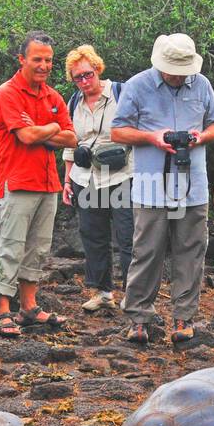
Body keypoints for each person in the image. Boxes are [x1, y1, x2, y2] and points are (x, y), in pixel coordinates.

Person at [110, 33, 214, 345]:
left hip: (193, 185)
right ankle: (138, 318)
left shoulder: (201, 84)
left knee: (191, 251)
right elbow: (117, 131)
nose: (179, 74)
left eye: (183, 69)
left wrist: (199, 137)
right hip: (151, 185)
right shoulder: (137, 85)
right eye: (174, 68)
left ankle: (183, 317)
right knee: (147, 252)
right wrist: (152, 137)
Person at [0, 30, 78, 337]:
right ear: (22, 59)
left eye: (49, 60)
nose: (43, 65)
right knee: (11, 246)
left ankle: (28, 306)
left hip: (48, 182)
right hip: (18, 181)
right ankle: (2, 310)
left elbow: (73, 138)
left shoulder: (53, 96)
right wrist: (53, 128)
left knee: (38, 248)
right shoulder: (7, 93)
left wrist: (44, 131)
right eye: (37, 59)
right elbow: (25, 137)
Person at [61, 45, 133, 313]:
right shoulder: (73, 103)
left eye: (88, 74)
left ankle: (133, 293)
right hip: (85, 177)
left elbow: (139, 129)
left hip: (122, 175)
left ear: (98, 69)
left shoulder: (121, 94)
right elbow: (71, 143)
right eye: (77, 77)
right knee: (92, 236)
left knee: (128, 236)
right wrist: (67, 181)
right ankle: (102, 292)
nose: (84, 81)